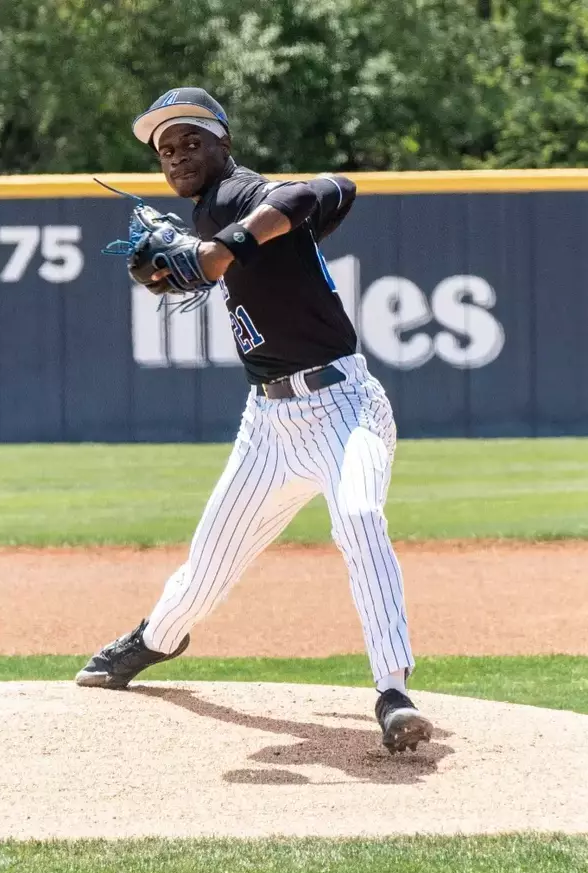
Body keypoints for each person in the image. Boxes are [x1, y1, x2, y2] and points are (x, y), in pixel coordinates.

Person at [75, 87, 432, 754]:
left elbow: (328, 188)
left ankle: (393, 692)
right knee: (206, 570)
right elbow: (207, 258)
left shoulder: (242, 196)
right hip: (268, 423)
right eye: (166, 149)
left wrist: (222, 248)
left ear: (223, 142)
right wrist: (183, 260)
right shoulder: (207, 211)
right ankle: (154, 640)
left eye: (192, 141)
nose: (178, 154)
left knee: (358, 518)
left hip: (343, 406)